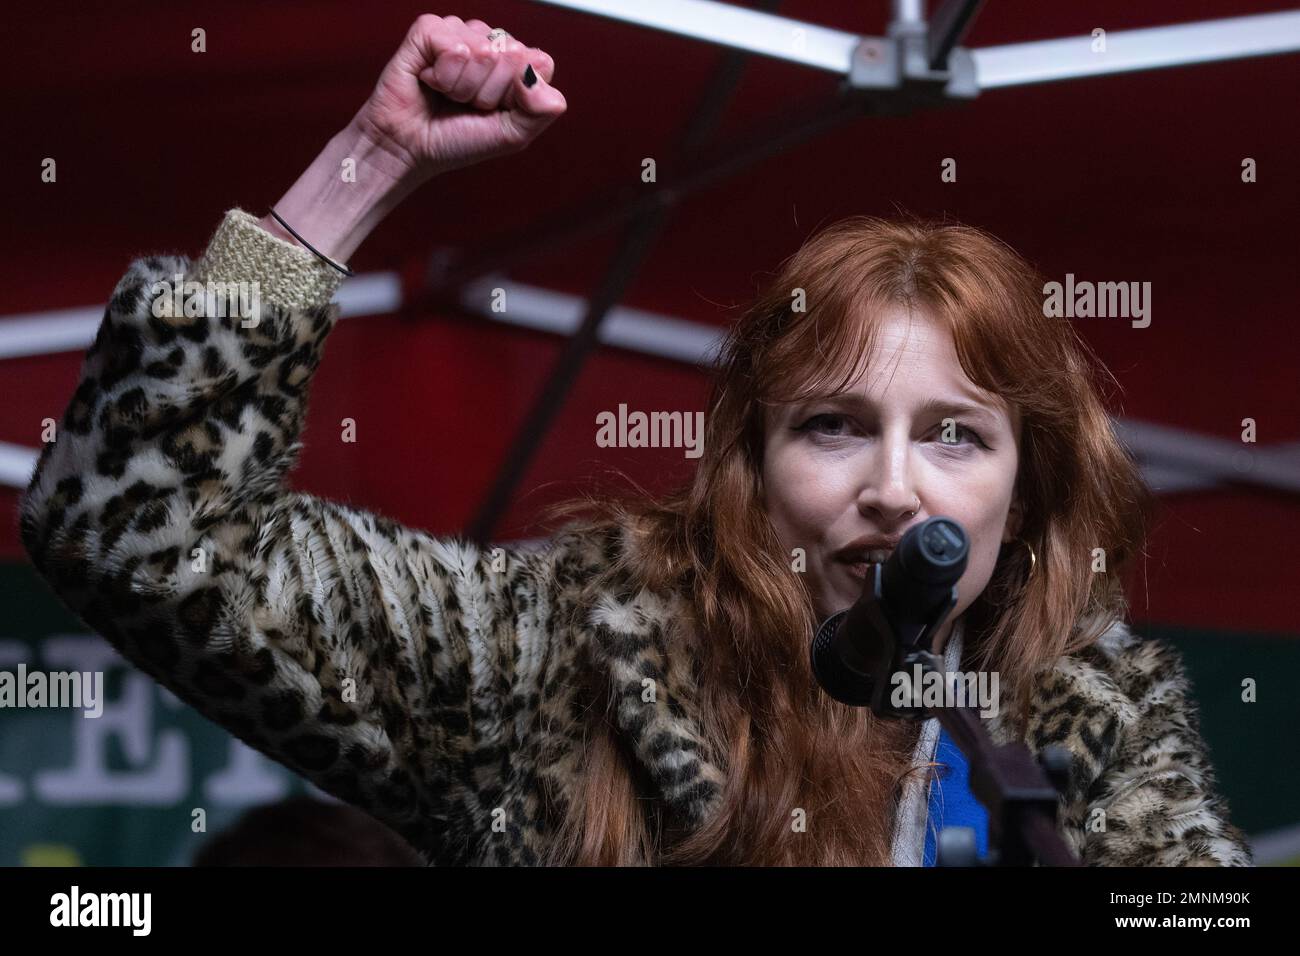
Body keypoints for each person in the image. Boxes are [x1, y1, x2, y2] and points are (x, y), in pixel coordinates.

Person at [18, 15, 1251, 867]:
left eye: (955, 437)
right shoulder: (559, 662)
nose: (892, 487)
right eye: (830, 425)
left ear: (1024, 497)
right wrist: (368, 164)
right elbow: (139, 533)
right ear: (747, 467)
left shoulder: (1096, 731)